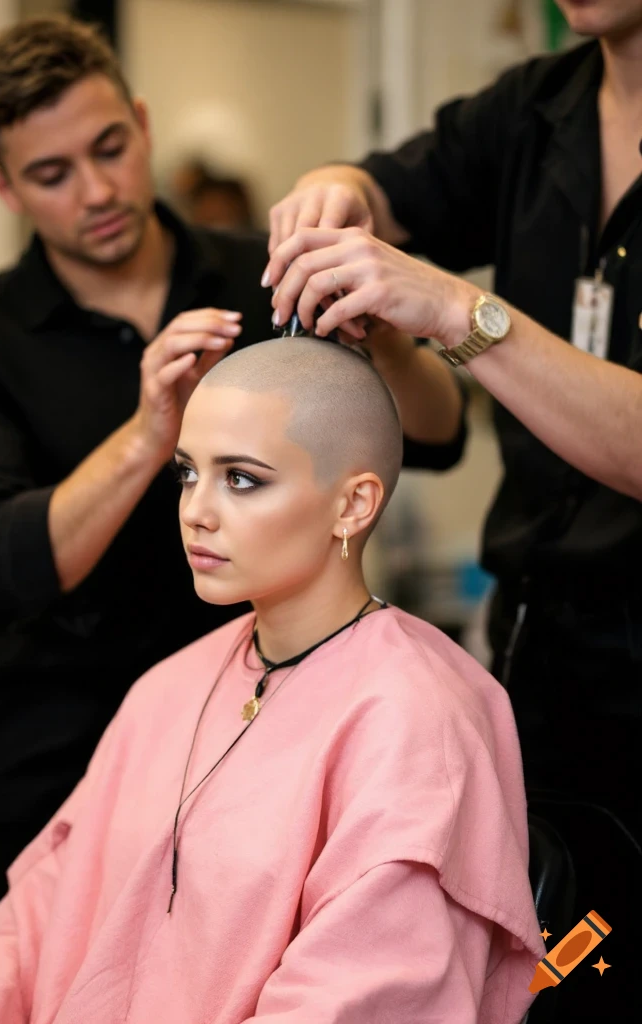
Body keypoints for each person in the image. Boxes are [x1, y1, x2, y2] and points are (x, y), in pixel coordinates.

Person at [0, 15, 468, 928]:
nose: (97, 190)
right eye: (53, 175)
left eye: (110, 148)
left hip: (260, 742)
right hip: (54, 756)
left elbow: (439, 440)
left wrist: (393, 344)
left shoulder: (263, 272)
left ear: (141, 123)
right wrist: (146, 434)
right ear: (3, 186)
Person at [0, 338, 543, 1024]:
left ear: (352, 505)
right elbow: (34, 919)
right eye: (186, 474)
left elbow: (359, 994)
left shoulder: (416, 719)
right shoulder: (168, 687)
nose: (196, 510)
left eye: (241, 478)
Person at [263, 2, 642, 1017]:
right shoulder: (534, 110)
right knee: (551, 982)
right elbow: (376, 184)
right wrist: (330, 195)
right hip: (540, 678)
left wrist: (453, 310)